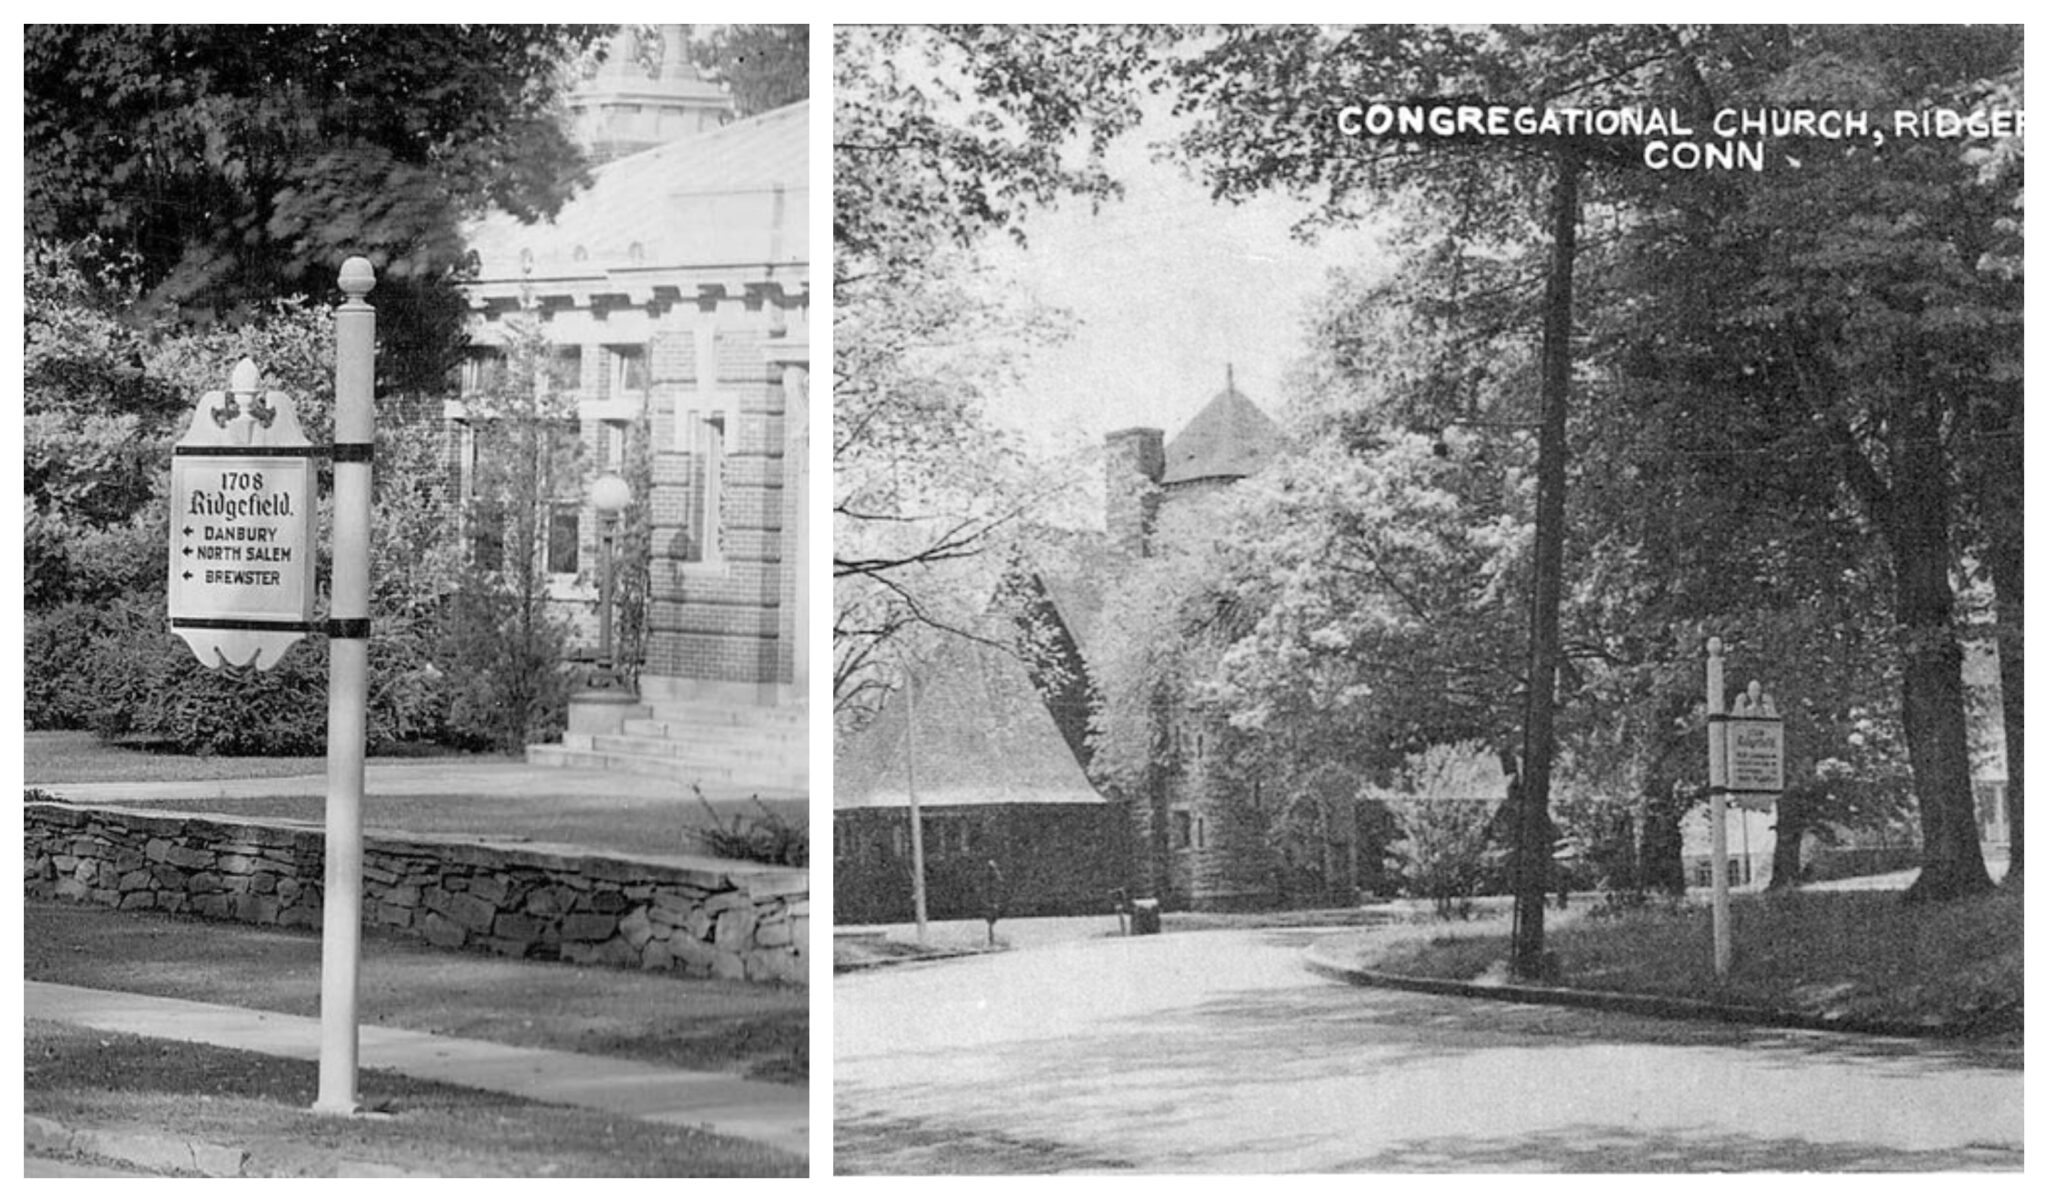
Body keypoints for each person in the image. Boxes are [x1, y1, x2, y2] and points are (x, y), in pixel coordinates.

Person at [981, 859, 1006, 947]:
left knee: (991, 922)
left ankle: (992, 940)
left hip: (993, 902)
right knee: (990, 923)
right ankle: (991, 940)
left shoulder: (995, 877)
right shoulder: (991, 878)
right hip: (991, 902)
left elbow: (998, 888)